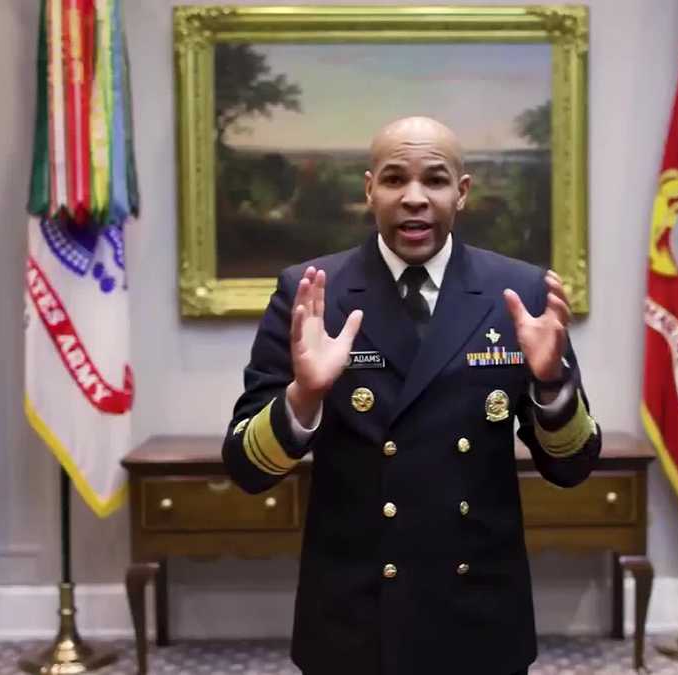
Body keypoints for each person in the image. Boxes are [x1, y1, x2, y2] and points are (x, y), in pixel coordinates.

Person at [222, 116, 601, 675]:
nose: (415, 198)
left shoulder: (518, 292)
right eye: (396, 179)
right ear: (369, 189)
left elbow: (572, 467)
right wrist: (304, 396)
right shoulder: (312, 293)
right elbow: (246, 468)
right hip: (356, 618)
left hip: (479, 614)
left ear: (462, 192)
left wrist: (550, 384)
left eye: (436, 180)